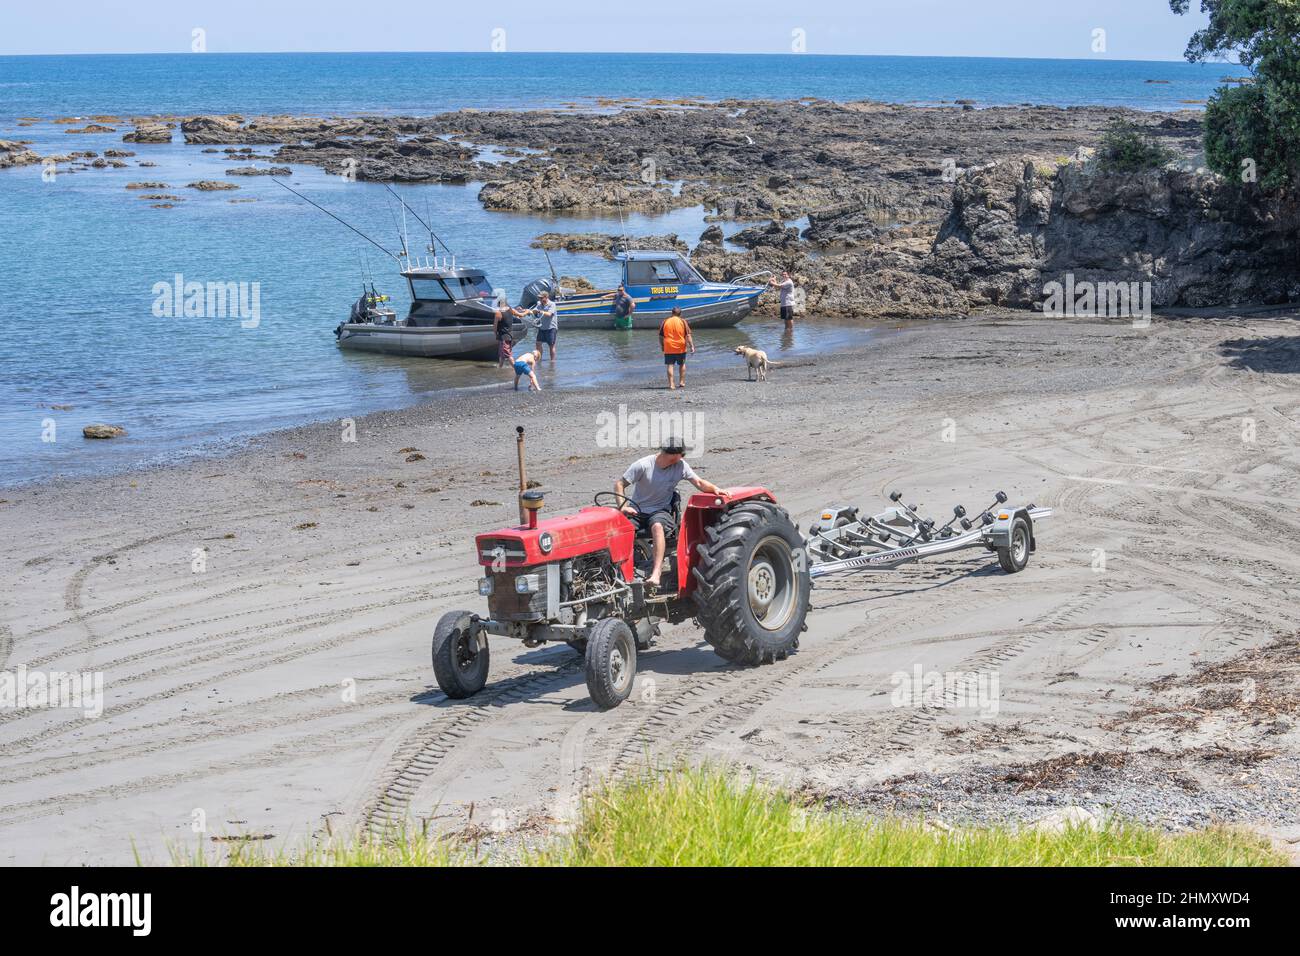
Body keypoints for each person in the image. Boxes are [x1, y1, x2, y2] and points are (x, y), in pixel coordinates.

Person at [615, 438, 720, 589]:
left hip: (660, 510)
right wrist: (623, 506)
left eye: (681, 457)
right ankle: (620, 572)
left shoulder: (680, 466)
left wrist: (715, 489)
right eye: (675, 458)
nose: (678, 460)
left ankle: (656, 573)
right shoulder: (643, 465)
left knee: (657, 526)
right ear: (664, 453)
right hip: (637, 510)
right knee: (619, 530)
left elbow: (699, 483)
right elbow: (619, 484)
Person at [659, 305, 694, 391]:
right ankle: (681, 382)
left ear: (672, 313)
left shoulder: (665, 321)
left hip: (669, 347)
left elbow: (660, 336)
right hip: (680, 347)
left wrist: (662, 346)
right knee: (682, 364)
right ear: (680, 314)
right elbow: (688, 335)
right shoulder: (683, 321)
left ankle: (671, 384)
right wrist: (691, 346)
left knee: (670, 365)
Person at [528, 291, 559, 361]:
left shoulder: (552, 304)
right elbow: (533, 311)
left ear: (546, 297)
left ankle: (552, 361)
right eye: (539, 298)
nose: (540, 299)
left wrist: (540, 311)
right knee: (538, 343)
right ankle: (539, 359)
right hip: (542, 328)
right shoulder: (539, 304)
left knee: (551, 345)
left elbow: (549, 314)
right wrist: (527, 311)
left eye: (541, 298)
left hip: (551, 328)